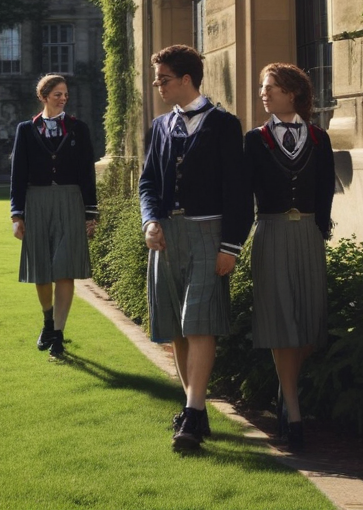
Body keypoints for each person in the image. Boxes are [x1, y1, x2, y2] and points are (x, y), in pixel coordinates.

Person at [139, 45, 254, 450]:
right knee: (175, 324)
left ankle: (190, 414)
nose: (158, 85)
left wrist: (231, 246)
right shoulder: (158, 126)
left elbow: (238, 191)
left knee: (200, 320)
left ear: (186, 79)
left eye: (163, 78)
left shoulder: (224, 124)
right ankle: (197, 409)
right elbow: (148, 182)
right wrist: (150, 220)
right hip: (166, 236)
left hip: (210, 234)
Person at [243, 62, 335, 450]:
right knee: (281, 318)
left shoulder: (319, 138)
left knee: (308, 323)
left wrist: (320, 231)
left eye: (271, 87)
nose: (264, 93)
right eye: (263, 88)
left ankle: (286, 392)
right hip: (272, 231)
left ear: (293, 93)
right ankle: (293, 412)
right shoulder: (254, 139)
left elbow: (327, 190)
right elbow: (240, 191)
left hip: (309, 234)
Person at [10, 74, 97, 358]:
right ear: (44, 96)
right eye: (58, 94)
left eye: (65, 94)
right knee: (42, 270)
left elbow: (87, 172)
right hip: (36, 202)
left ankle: (58, 334)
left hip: (70, 201)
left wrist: (90, 212)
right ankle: (47, 321)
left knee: (65, 269)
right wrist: (17, 214)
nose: (63, 98)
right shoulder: (25, 130)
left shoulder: (78, 129)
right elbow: (18, 174)